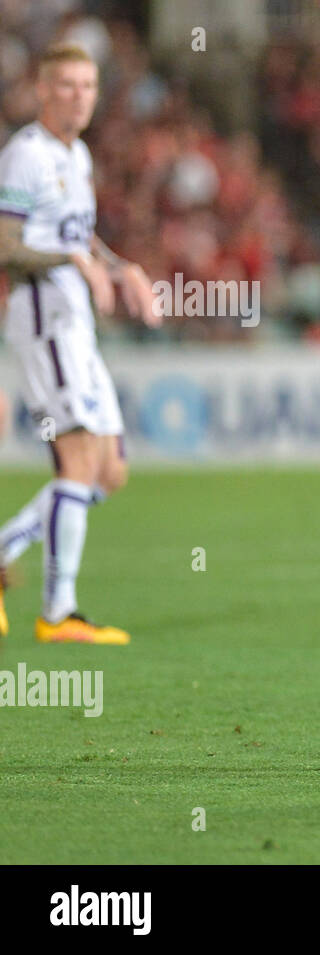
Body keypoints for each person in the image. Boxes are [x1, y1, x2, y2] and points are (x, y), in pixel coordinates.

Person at [0, 45, 158, 645]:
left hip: (77, 327)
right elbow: (6, 246)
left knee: (109, 471)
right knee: (79, 460)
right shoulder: (26, 155)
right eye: (66, 84)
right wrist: (72, 262)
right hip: (44, 320)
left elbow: (78, 234)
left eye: (88, 85)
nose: (79, 96)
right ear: (43, 90)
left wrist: (120, 267)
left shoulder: (77, 154)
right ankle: (58, 611)